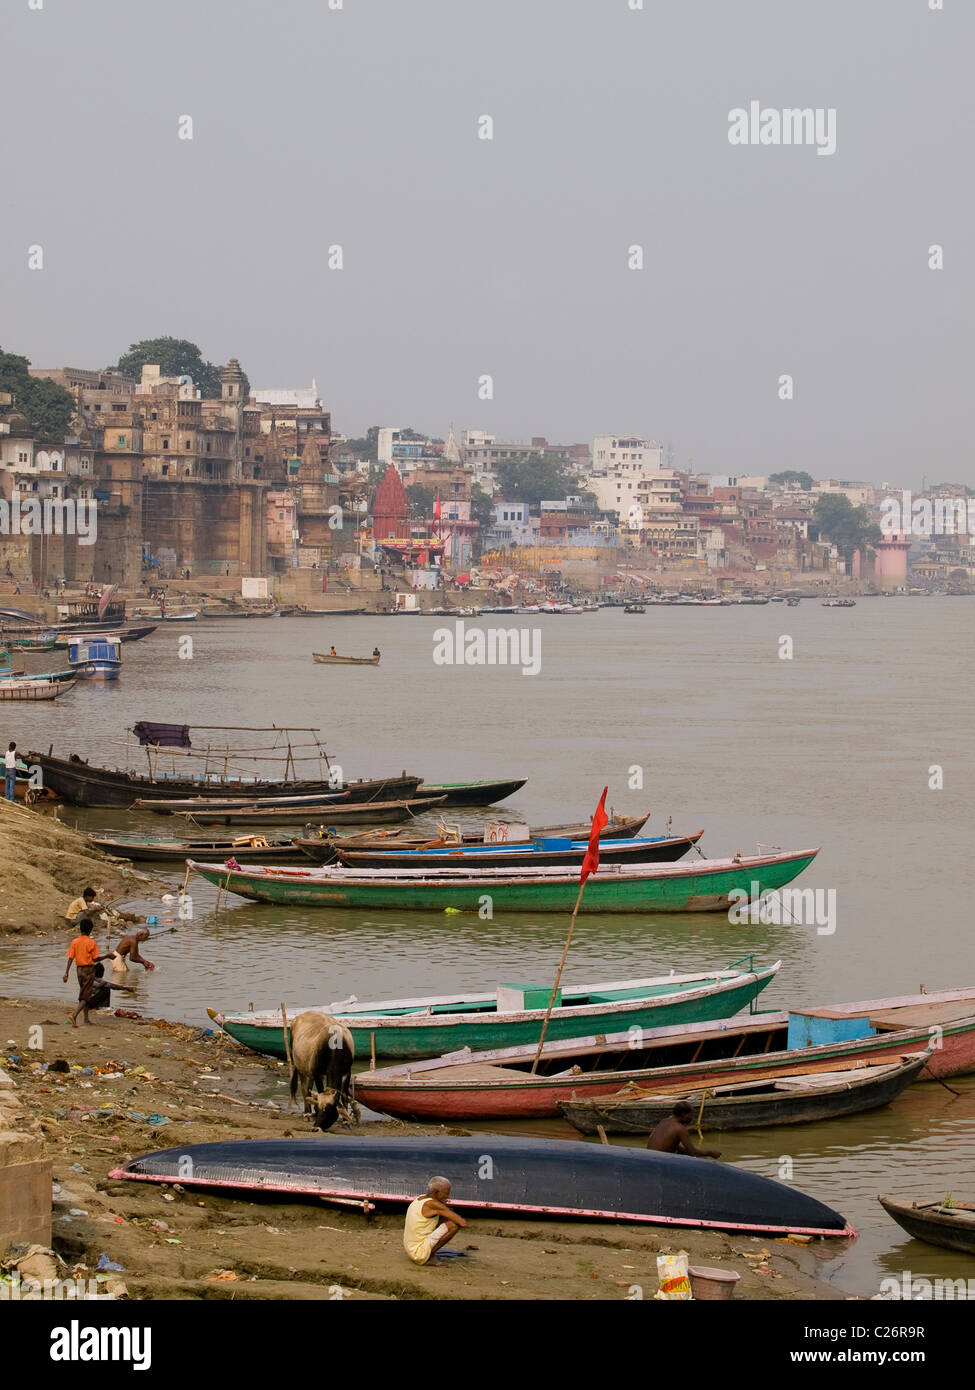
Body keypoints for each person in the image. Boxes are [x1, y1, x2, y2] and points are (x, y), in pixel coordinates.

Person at [403, 1177, 466, 1265]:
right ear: (436, 1192)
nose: (448, 1197)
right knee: (453, 1225)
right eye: (446, 1193)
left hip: (410, 1249)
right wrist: (447, 1210)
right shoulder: (433, 1204)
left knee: (443, 1219)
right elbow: (462, 1223)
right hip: (418, 1253)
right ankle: (428, 1257)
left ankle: (427, 1253)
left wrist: (444, 1210)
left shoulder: (420, 1198)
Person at [646, 1101, 721, 1159]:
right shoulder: (680, 1128)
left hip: (649, 1157)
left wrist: (690, 1153)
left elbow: (673, 1146)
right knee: (702, 1158)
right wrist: (710, 1153)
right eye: (691, 1115)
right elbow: (693, 1153)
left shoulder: (664, 1121)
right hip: (659, 1160)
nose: (692, 1118)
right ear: (683, 1114)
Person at [63, 919, 101, 1026]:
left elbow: (70, 958)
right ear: (90, 930)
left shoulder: (75, 941)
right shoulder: (91, 942)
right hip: (88, 970)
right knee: (86, 996)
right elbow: (96, 959)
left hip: (79, 969)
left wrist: (66, 973)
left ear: (80, 929)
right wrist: (108, 956)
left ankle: (86, 1018)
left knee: (84, 993)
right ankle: (74, 1015)